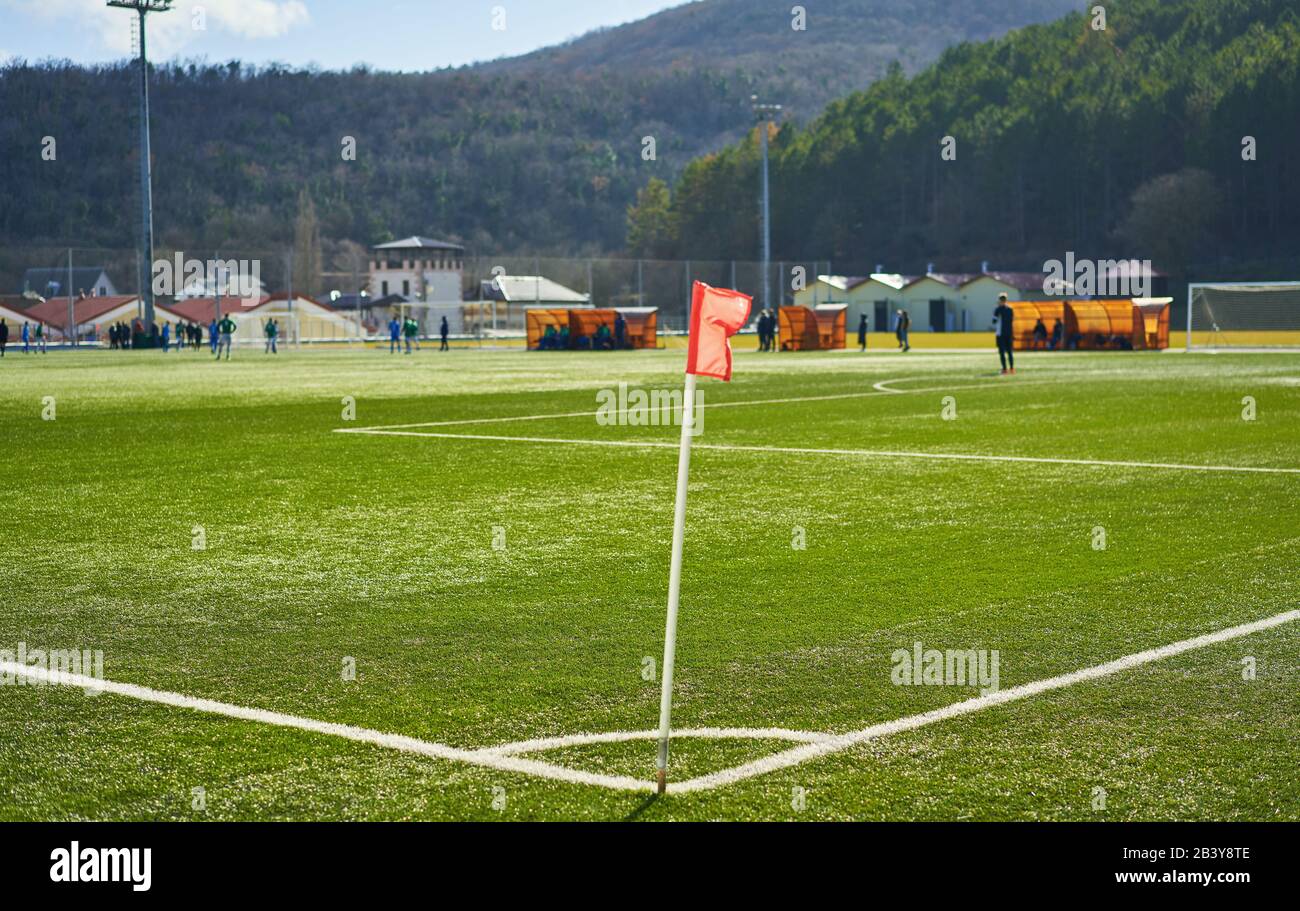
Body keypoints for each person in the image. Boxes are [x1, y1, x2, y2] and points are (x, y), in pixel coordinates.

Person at [993, 293, 1015, 374]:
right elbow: (1012, 321)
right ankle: (1012, 368)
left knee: (1002, 352)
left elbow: (994, 321)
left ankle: (1004, 369)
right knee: (1009, 352)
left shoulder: (998, 309)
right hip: (1009, 333)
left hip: (1000, 333)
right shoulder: (1010, 309)